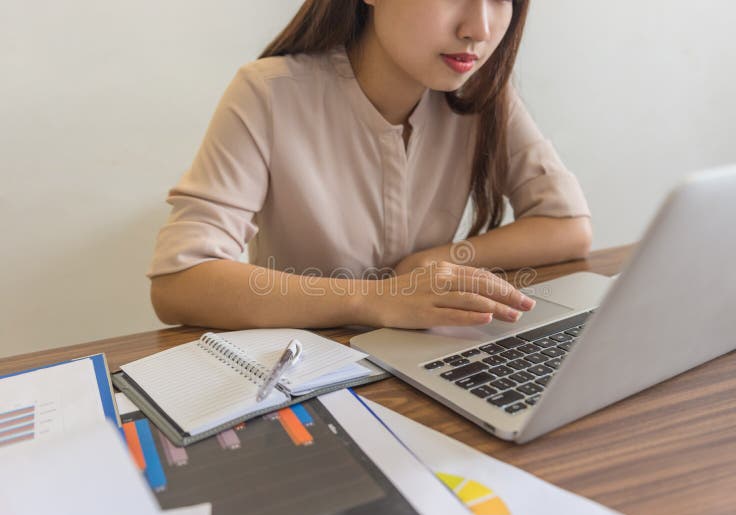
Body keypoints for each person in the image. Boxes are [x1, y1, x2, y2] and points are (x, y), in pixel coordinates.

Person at [148, 0, 592, 331]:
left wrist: (433, 259)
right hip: (302, 372)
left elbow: (568, 225)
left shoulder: (483, 97)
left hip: (422, 359)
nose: (479, 27)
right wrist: (374, 298)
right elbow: (178, 282)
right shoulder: (267, 93)